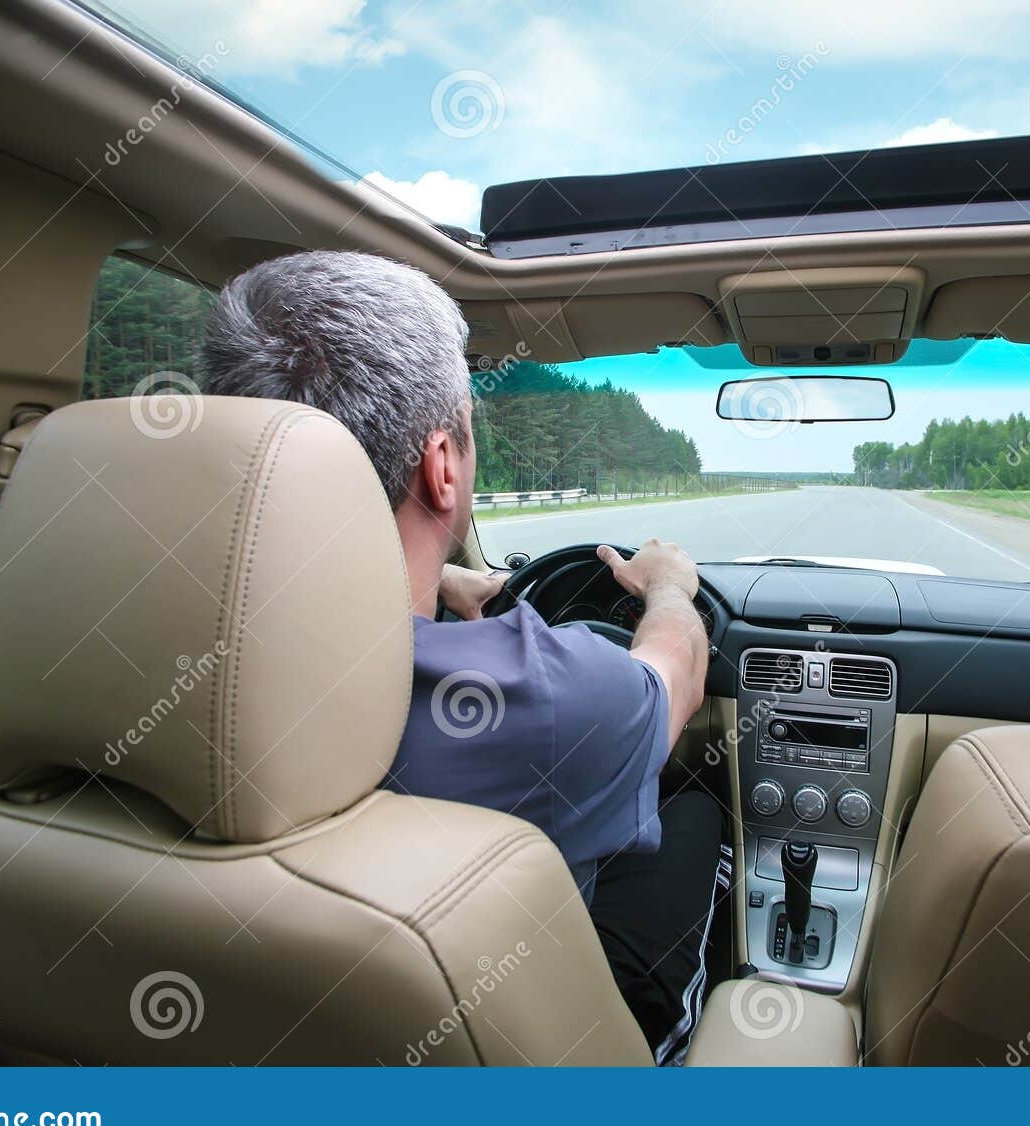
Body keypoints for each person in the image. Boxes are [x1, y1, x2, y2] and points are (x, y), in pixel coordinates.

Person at [202, 250, 730, 1063]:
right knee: (695, 811)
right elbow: (678, 677)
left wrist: (428, 584)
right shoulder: (556, 695)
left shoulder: (144, 669)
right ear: (442, 465)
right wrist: (666, 588)